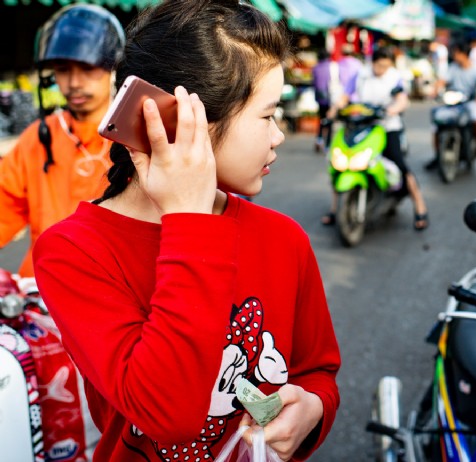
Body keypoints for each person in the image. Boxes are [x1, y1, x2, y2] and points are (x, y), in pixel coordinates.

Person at [32, 1, 341, 461]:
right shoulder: (73, 252)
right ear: (180, 121)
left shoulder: (284, 238)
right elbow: (168, 415)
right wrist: (192, 222)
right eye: (266, 115)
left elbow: (317, 370)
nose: (278, 136)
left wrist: (314, 407)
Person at [0, 4, 124, 277]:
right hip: (40, 292)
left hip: (112, 294)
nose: (74, 82)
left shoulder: (135, 138)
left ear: (114, 68)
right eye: (63, 69)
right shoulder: (36, 138)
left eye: (87, 68)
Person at [322, 47, 429, 230]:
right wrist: (334, 110)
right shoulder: (361, 74)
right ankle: (334, 209)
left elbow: (401, 99)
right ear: (373, 62)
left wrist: (392, 109)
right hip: (360, 125)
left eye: (386, 66)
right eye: (380, 66)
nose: (382, 70)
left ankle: (420, 206)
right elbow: (345, 96)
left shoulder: (394, 77)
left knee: (401, 165)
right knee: (338, 163)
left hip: (386, 127)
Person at [426, 41, 476, 170]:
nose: (454, 55)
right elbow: (443, 80)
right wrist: (434, 90)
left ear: (463, 54)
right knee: (437, 124)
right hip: (453, 101)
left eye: (456, 52)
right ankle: (438, 155)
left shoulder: (475, 69)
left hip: (470, 101)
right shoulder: (453, 67)